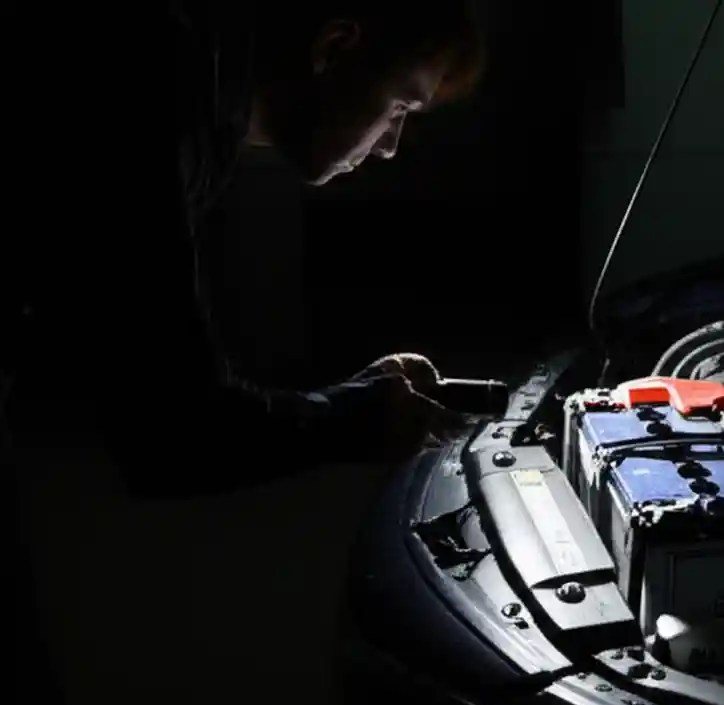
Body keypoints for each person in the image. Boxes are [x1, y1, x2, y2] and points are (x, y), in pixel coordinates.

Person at [9, 0, 487, 493]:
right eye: (400, 107)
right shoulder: (155, 86)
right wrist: (356, 417)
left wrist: (354, 403)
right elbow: (171, 430)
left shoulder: (199, 86)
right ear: (333, 48)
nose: (389, 146)